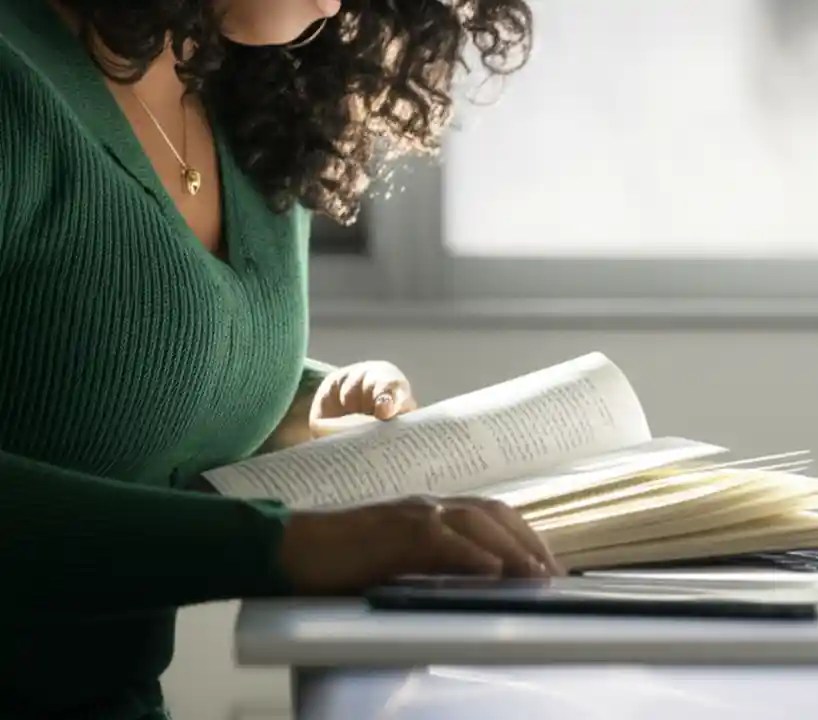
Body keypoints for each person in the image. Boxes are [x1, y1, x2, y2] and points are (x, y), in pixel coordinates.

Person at [0, 0, 557, 717]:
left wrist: (300, 406)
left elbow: (88, 352)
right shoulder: (16, 86)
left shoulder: (251, 96)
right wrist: (285, 547)